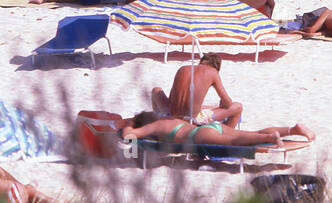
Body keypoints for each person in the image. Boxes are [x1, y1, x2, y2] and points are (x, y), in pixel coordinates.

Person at [122, 113, 313, 151]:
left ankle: (269, 137)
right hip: (210, 127)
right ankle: (293, 129)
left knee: (236, 143)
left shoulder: (156, 127)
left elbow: (128, 136)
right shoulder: (172, 119)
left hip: (198, 136)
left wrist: (130, 125)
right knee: (245, 133)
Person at [151, 54, 243, 126]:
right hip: (193, 120)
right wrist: (221, 105)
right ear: (216, 66)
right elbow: (228, 104)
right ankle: (225, 138)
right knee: (237, 107)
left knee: (156, 90)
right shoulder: (213, 72)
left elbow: (172, 100)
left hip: (171, 114)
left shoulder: (182, 69)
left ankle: (158, 124)